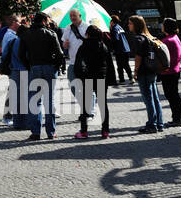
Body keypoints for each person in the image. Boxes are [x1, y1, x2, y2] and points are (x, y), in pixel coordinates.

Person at [18, 12, 64, 140]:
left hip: (35, 67)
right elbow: (59, 54)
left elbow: (21, 54)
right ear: (44, 21)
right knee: (49, 100)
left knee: (35, 101)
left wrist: (29, 66)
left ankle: (36, 132)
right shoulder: (51, 34)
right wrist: (56, 66)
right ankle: (51, 132)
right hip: (49, 67)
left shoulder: (26, 34)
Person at [74, 24, 116, 138]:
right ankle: (105, 130)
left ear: (87, 34)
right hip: (101, 78)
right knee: (103, 104)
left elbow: (78, 64)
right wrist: (112, 80)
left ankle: (84, 131)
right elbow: (109, 65)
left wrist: (79, 76)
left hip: (87, 78)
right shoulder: (103, 46)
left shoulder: (83, 47)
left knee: (85, 105)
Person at [128, 15, 165, 133]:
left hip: (144, 71)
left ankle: (152, 124)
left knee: (148, 99)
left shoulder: (138, 38)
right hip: (152, 70)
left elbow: (138, 57)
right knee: (154, 98)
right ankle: (159, 123)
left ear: (136, 25)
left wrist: (135, 71)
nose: (129, 25)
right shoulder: (148, 36)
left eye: (130, 23)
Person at [60, 9, 91, 118]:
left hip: (85, 62)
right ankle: (85, 106)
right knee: (73, 86)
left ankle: (88, 111)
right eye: (71, 16)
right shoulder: (68, 28)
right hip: (72, 62)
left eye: (74, 15)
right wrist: (65, 45)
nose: (72, 17)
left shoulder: (87, 27)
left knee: (87, 87)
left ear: (80, 15)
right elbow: (64, 43)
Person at [159, 19, 181, 127]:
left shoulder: (167, 41)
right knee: (175, 95)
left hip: (169, 72)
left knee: (171, 96)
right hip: (175, 70)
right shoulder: (175, 38)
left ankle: (177, 118)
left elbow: (164, 58)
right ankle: (180, 117)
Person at [108, 15, 133, 83]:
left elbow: (116, 39)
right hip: (126, 48)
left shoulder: (114, 29)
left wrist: (111, 43)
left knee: (120, 66)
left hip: (119, 50)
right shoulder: (119, 27)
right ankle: (131, 78)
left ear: (112, 22)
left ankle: (122, 80)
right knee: (126, 64)